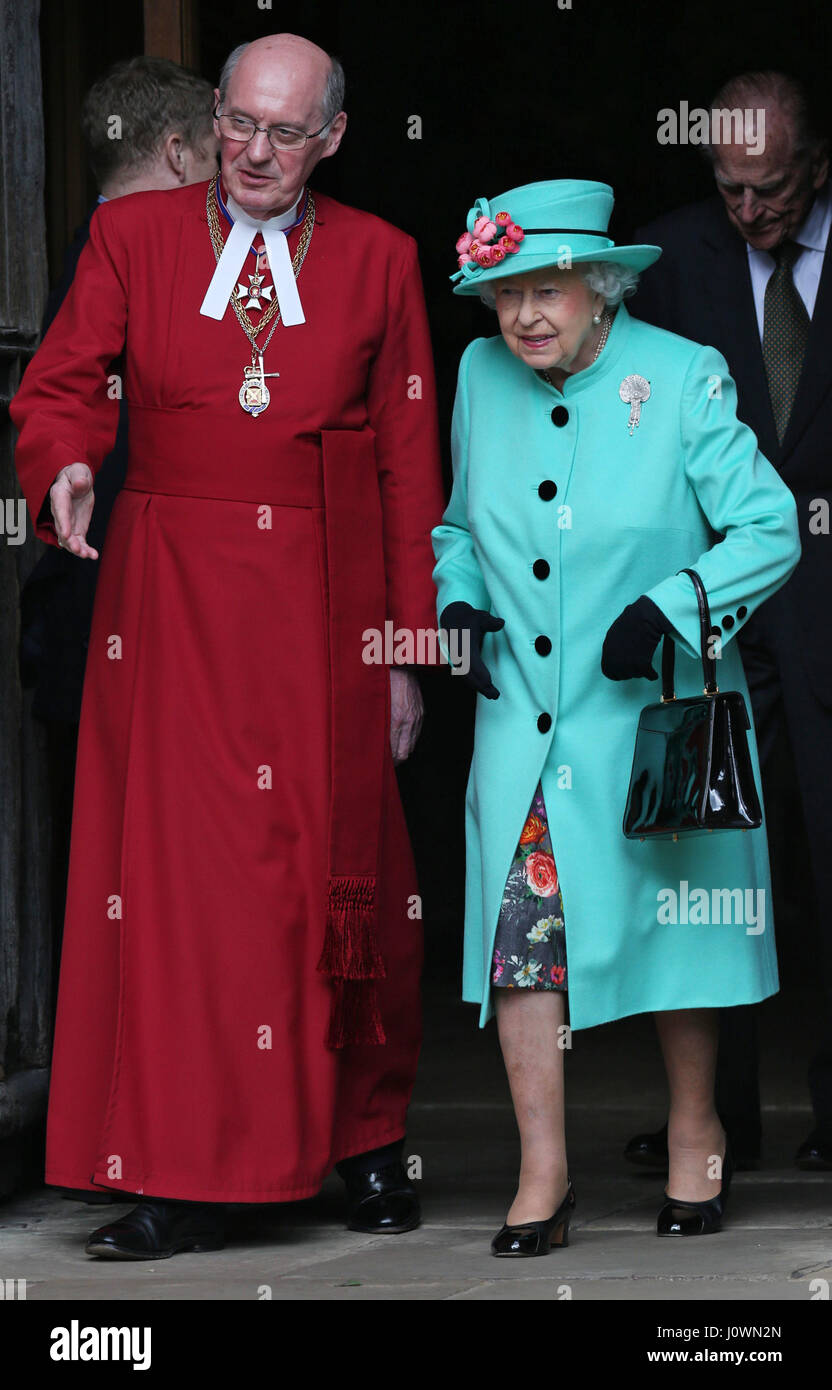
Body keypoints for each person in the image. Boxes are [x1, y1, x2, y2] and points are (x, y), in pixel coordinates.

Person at [12, 32, 444, 1259]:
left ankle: (359, 1143)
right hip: (171, 599)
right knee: (190, 892)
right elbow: (61, 383)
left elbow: (415, 466)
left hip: (326, 599)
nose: (254, 153)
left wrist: (408, 645)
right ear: (214, 114)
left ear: (333, 139)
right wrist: (71, 463)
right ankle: (190, 1165)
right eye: (239, 124)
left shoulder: (380, 258)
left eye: (285, 133)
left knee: (336, 878)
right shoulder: (133, 238)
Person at [432, 179, 801, 1253]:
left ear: (600, 292)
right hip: (526, 730)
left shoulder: (682, 377)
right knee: (520, 948)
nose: (523, 317)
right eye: (504, 294)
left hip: (653, 726)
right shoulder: (477, 375)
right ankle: (540, 1172)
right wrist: (457, 597)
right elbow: (457, 524)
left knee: (672, 936)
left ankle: (696, 1134)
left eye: (545, 291)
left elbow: (768, 528)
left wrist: (670, 608)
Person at [19, 65, 218, 1215]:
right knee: (130, 897)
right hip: (114, 625)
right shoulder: (123, 262)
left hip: (120, 628)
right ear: (189, 151)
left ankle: (142, 1137)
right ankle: (131, 1140)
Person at [628, 70, 832, 1174]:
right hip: (718, 609)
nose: (747, 212)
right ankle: (716, 1119)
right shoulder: (667, 262)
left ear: (816, 163)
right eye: (727, 189)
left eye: (769, 188)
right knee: (706, 870)